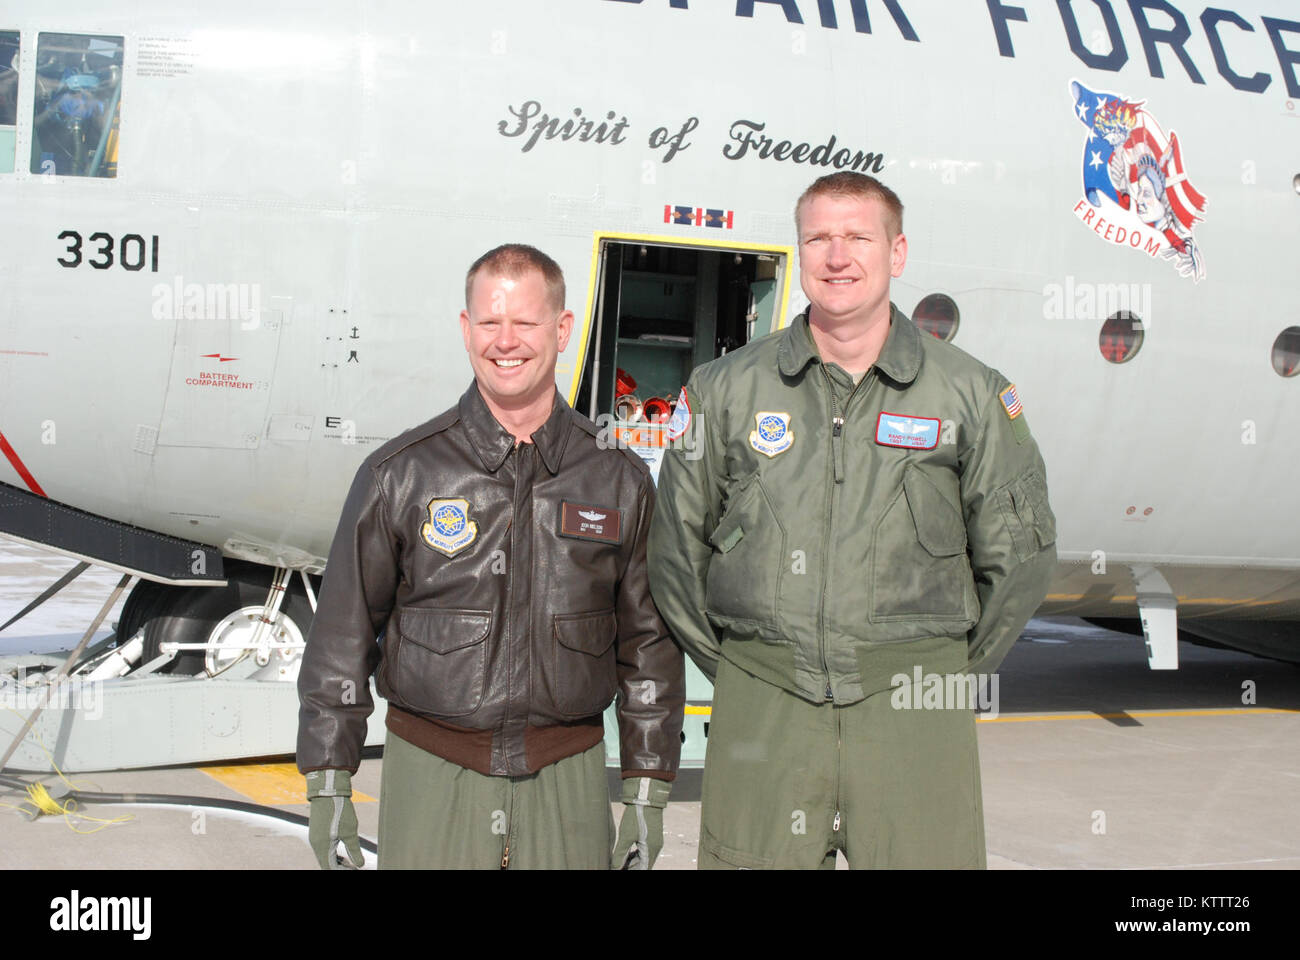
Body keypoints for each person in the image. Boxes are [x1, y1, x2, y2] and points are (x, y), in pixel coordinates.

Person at [647, 173, 1056, 869]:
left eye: (858, 237)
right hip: (765, 703)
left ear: (897, 253)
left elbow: (1020, 558)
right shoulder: (724, 389)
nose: (838, 256)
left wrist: (935, 668)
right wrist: (746, 668)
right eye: (819, 238)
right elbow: (674, 553)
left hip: (914, 709)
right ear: (800, 251)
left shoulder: (973, 393)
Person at [297, 243, 684, 869]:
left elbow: (648, 647)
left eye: (525, 323)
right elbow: (341, 636)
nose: (506, 342)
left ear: (561, 331)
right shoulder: (401, 474)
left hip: (567, 774)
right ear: (464, 329)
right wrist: (328, 783)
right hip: (433, 772)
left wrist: (647, 789)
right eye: (489, 322)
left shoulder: (616, 479)